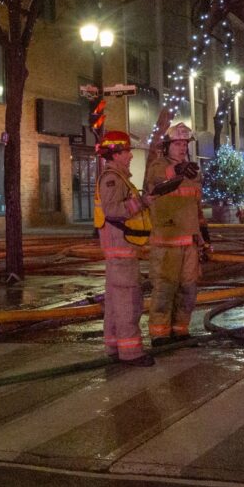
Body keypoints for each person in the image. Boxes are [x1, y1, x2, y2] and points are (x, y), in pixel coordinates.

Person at [94, 130, 165, 367]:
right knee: (128, 302)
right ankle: (131, 353)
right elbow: (113, 210)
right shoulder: (112, 179)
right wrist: (142, 202)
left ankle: (115, 347)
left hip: (121, 251)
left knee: (116, 302)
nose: (131, 156)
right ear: (115, 154)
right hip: (121, 251)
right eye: (126, 152)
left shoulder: (117, 177)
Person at [143, 121, 206, 345]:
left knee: (188, 289)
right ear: (167, 146)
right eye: (177, 143)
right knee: (164, 288)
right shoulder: (157, 166)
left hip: (189, 242)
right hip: (166, 242)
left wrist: (204, 237)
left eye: (184, 144)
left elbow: (196, 207)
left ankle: (181, 329)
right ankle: (160, 333)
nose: (181, 148)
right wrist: (177, 170)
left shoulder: (193, 172)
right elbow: (157, 183)